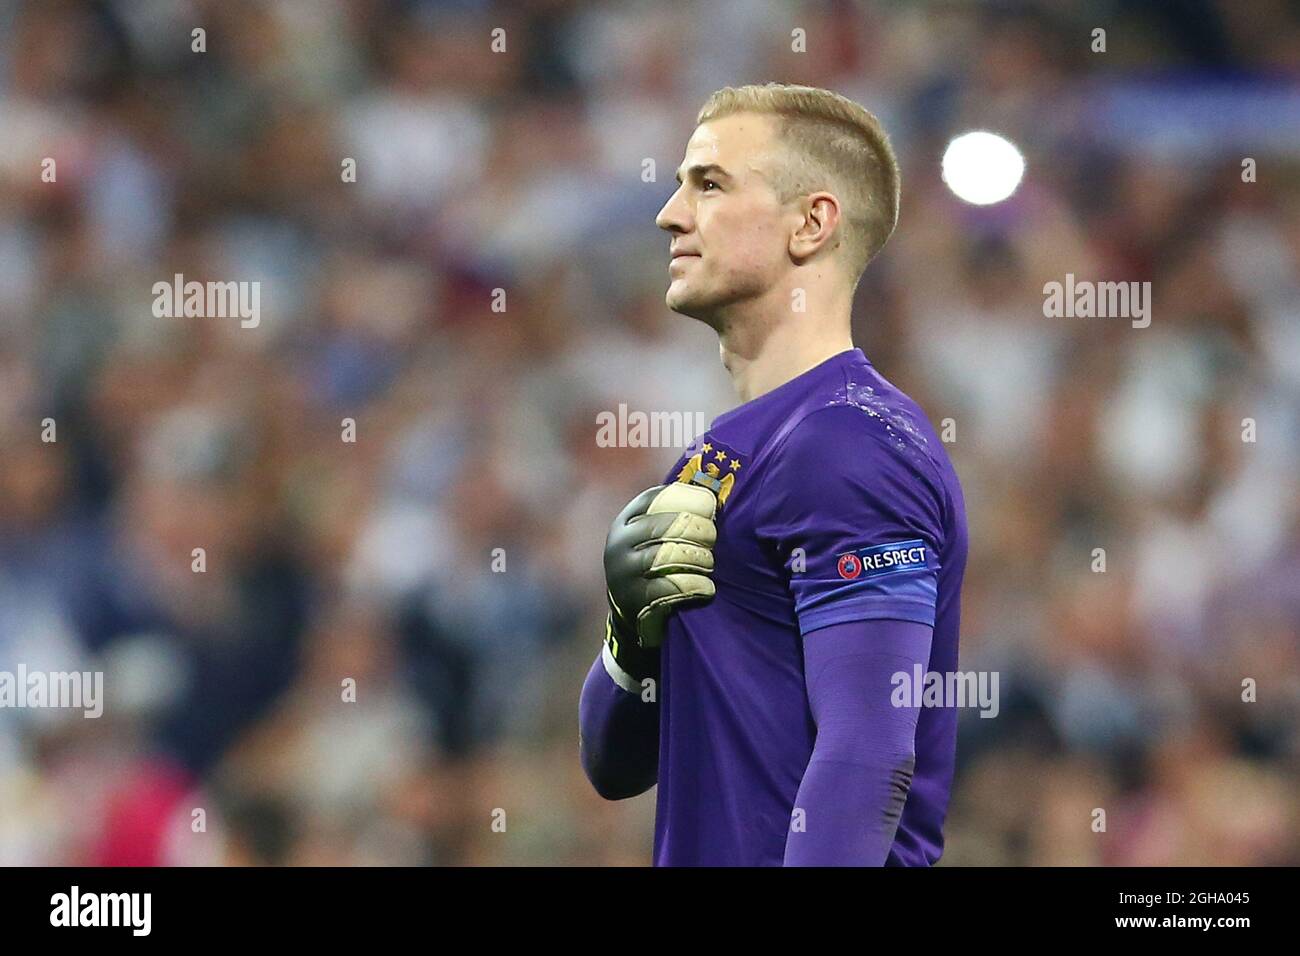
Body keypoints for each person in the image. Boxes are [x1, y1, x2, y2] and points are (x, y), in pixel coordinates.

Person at [579, 82, 968, 866]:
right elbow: (613, 766)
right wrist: (629, 638)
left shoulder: (853, 445)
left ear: (813, 223)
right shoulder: (716, 460)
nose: (670, 213)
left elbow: (867, 758)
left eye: (710, 183)